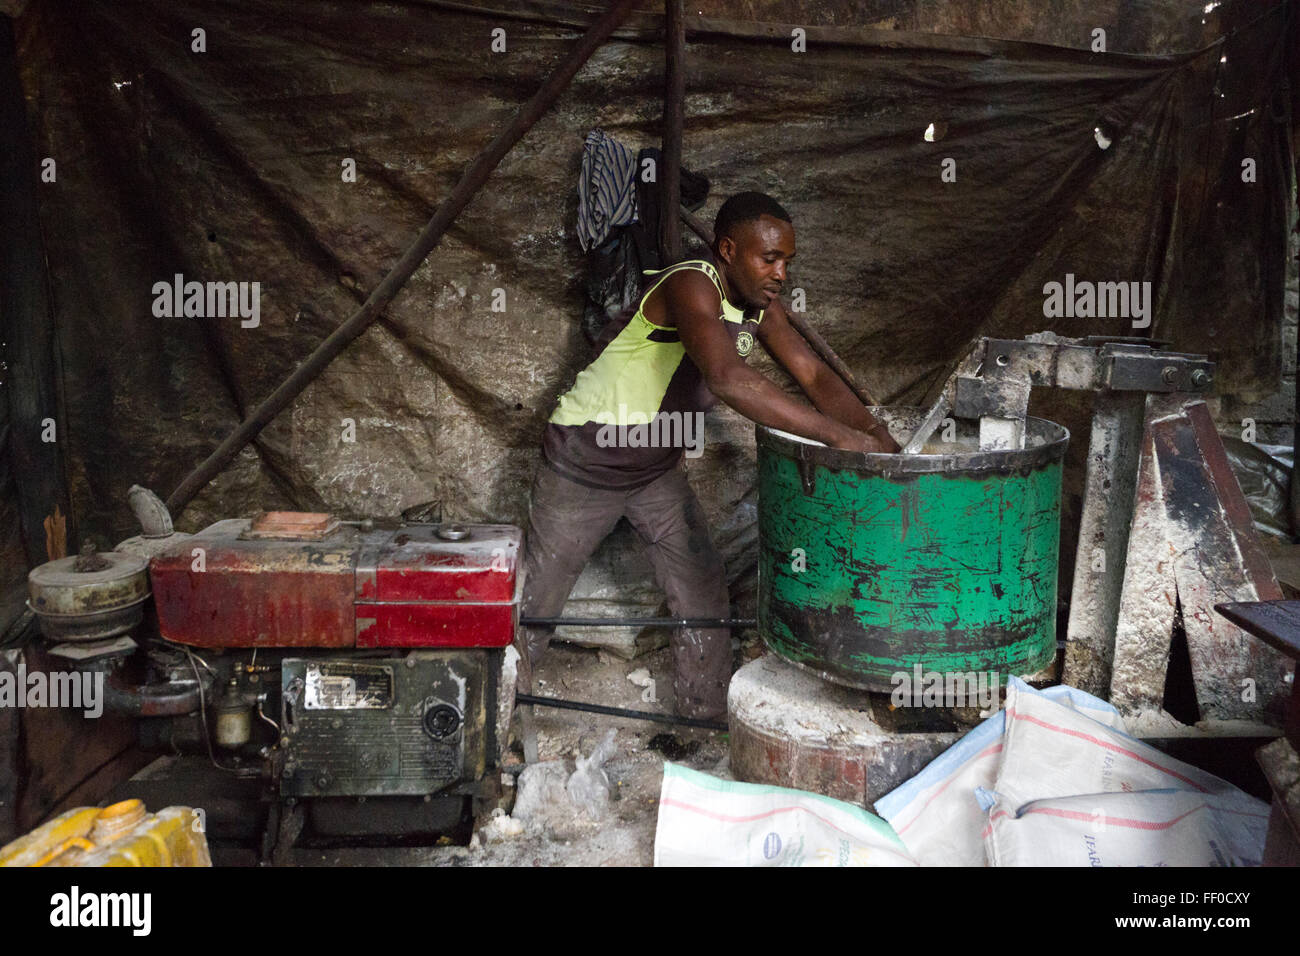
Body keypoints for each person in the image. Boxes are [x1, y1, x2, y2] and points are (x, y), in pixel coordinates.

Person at [519, 191, 897, 720]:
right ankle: (502, 721)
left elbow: (812, 374)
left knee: (700, 586)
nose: (781, 272)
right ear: (727, 250)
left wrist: (879, 437)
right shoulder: (690, 283)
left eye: (787, 260)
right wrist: (838, 437)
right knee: (535, 601)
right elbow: (727, 378)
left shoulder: (756, 304)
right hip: (586, 457)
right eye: (769, 259)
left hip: (652, 469)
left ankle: (704, 718)